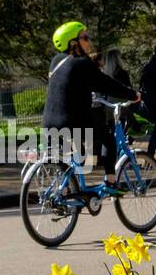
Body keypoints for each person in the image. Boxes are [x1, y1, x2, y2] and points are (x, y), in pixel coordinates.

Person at [42, 21, 141, 189]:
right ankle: (110, 183)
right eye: (85, 38)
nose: (89, 42)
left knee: (76, 155)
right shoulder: (82, 63)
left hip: (49, 121)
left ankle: (67, 192)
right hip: (72, 121)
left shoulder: (56, 61)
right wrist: (133, 94)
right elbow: (106, 83)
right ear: (74, 43)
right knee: (110, 140)